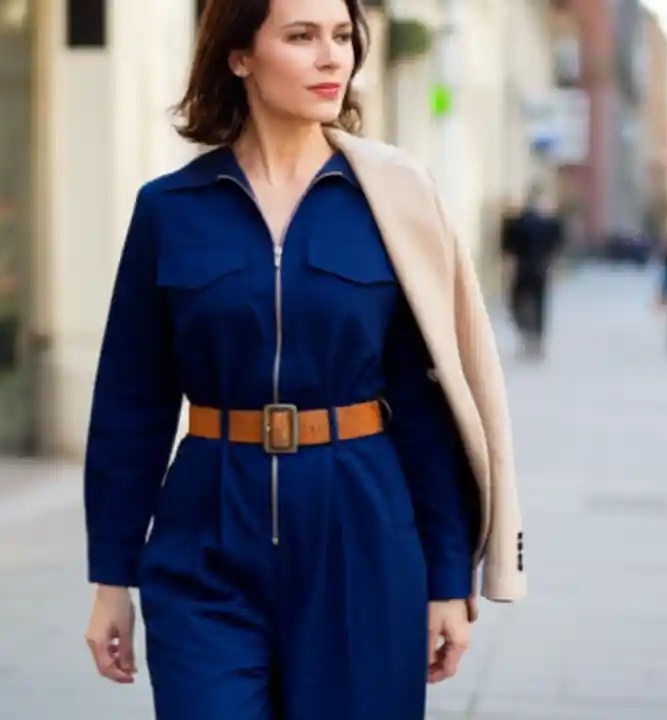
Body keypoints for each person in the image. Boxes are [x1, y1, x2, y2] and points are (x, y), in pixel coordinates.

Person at [80, 1, 526, 717]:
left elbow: (425, 401)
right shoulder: (171, 209)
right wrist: (111, 577)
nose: (332, 58)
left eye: (343, 37)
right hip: (206, 533)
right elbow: (131, 402)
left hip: (360, 530)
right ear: (239, 56)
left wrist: (448, 577)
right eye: (301, 36)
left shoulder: (392, 201)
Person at [500, 188, 563, 359]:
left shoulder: (516, 222)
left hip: (522, 268)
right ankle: (536, 341)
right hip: (540, 269)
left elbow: (508, 252)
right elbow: (556, 251)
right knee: (538, 304)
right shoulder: (550, 224)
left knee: (518, 303)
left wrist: (506, 273)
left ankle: (527, 337)